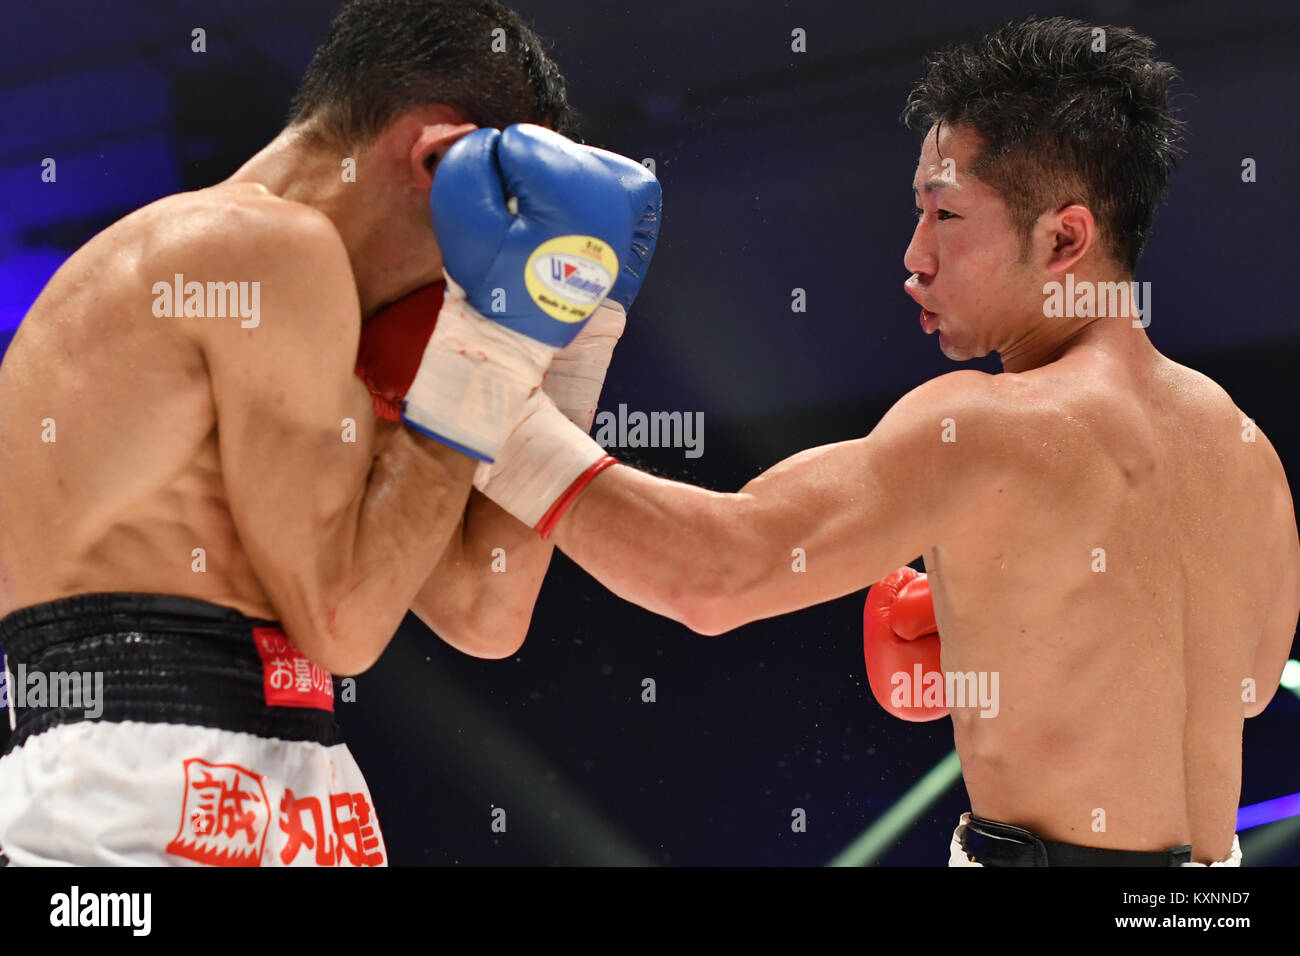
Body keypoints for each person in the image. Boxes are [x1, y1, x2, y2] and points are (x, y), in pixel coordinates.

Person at [468, 17, 1300, 865]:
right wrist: (1029, 637)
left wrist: (495, 395)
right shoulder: (1246, 449)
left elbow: (717, 573)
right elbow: (1250, 683)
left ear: (1063, 238)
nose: (914, 256)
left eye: (945, 213)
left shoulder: (987, 427)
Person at [0, 0, 659, 866]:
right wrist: (489, 339)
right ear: (439, 158)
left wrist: (573, 338)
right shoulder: (255, 250)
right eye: (505, 231)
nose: (480, 272)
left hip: (270, 794)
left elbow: (484, 608)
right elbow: (343, 623)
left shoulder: (325, 330)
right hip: (141, 802)